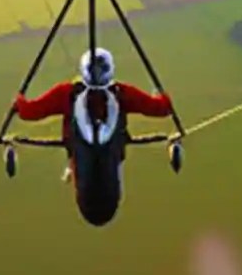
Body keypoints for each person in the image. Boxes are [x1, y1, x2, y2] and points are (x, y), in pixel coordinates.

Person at [12, 47, 173, 226]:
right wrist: (162, 97)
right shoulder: (121, 94)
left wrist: (19, 103)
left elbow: (29, 112)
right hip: (110, 174)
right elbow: (161, 109)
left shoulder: (67, 94)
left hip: (82, 170)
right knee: (106, 153)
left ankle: (75, 167)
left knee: (84, 153)